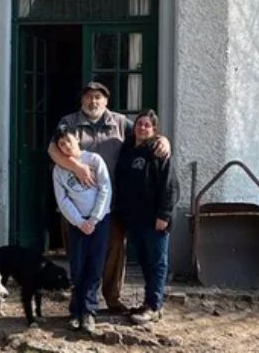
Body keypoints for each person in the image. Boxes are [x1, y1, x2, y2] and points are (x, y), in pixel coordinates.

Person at [48, 81, 170, 313]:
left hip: (112, 203)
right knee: (79, 256)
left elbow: (145, 133)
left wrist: (164, 140)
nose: (93, 102)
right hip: (77, 204)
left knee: (115, 252)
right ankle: (80, 303)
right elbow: (53, 150)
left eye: (98, 98)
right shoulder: (69, 122)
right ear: (82, 100)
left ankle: (112, 299)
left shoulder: (121, 122)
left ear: (106, 101)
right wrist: (76, 167)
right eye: (89, 97)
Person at [114, 109, 179, 324]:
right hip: (134, 219)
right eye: (139, 124)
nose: (142, 128)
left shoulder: (159, 152)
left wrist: (164, 214)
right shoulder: (128, 151)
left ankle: (154, 305)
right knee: (144, 261)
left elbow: (170, 186)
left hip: (155, 219)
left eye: (147, 125)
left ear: (154, 130)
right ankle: (149, 302)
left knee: (157, 262)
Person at [51, 127, 112, 335]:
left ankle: (89, 312)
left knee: (95, 267)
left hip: (99, 221)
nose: (66, 147)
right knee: (77, 267)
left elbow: (105, 188)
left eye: (68, 141)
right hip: (76, 224)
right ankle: (75, 311)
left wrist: (94, 218)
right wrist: (79, 222)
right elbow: (63, 200)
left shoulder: (94, 160)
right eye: (61, 145)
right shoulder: (59, 170)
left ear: (77, 138)